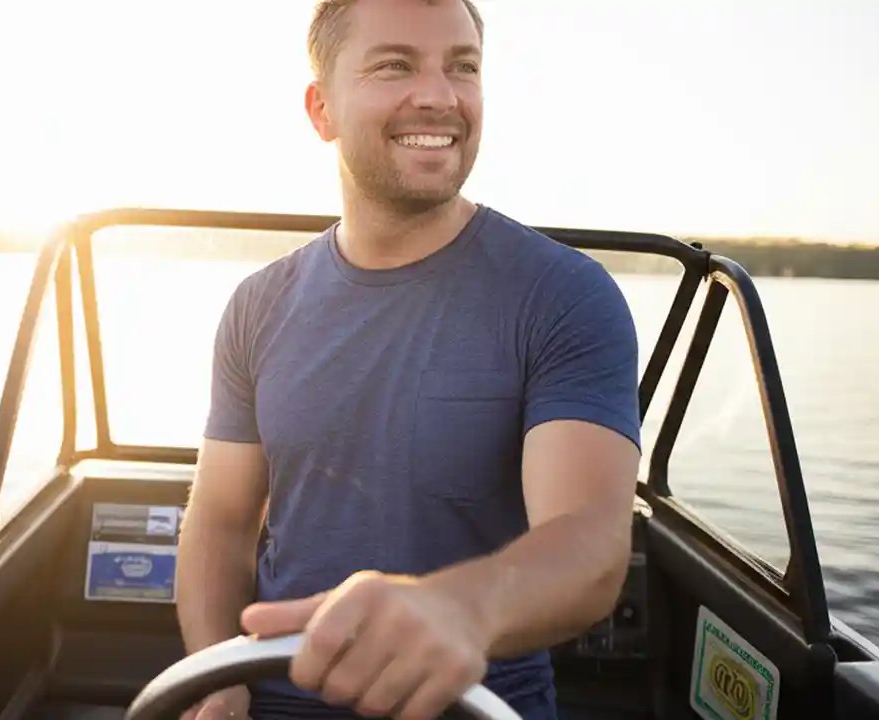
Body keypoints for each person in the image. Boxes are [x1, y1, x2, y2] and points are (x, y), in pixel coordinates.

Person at [175, 1, 641, 718]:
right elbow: (220, 521)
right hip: (274, 694)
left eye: (463, 67)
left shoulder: (564, 296)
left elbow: (590, 547)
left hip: (475, 704)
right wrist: (216, 675)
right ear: (321, 109)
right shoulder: (258, 306)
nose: (440, 95)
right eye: (396, 65)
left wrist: (460, 609)